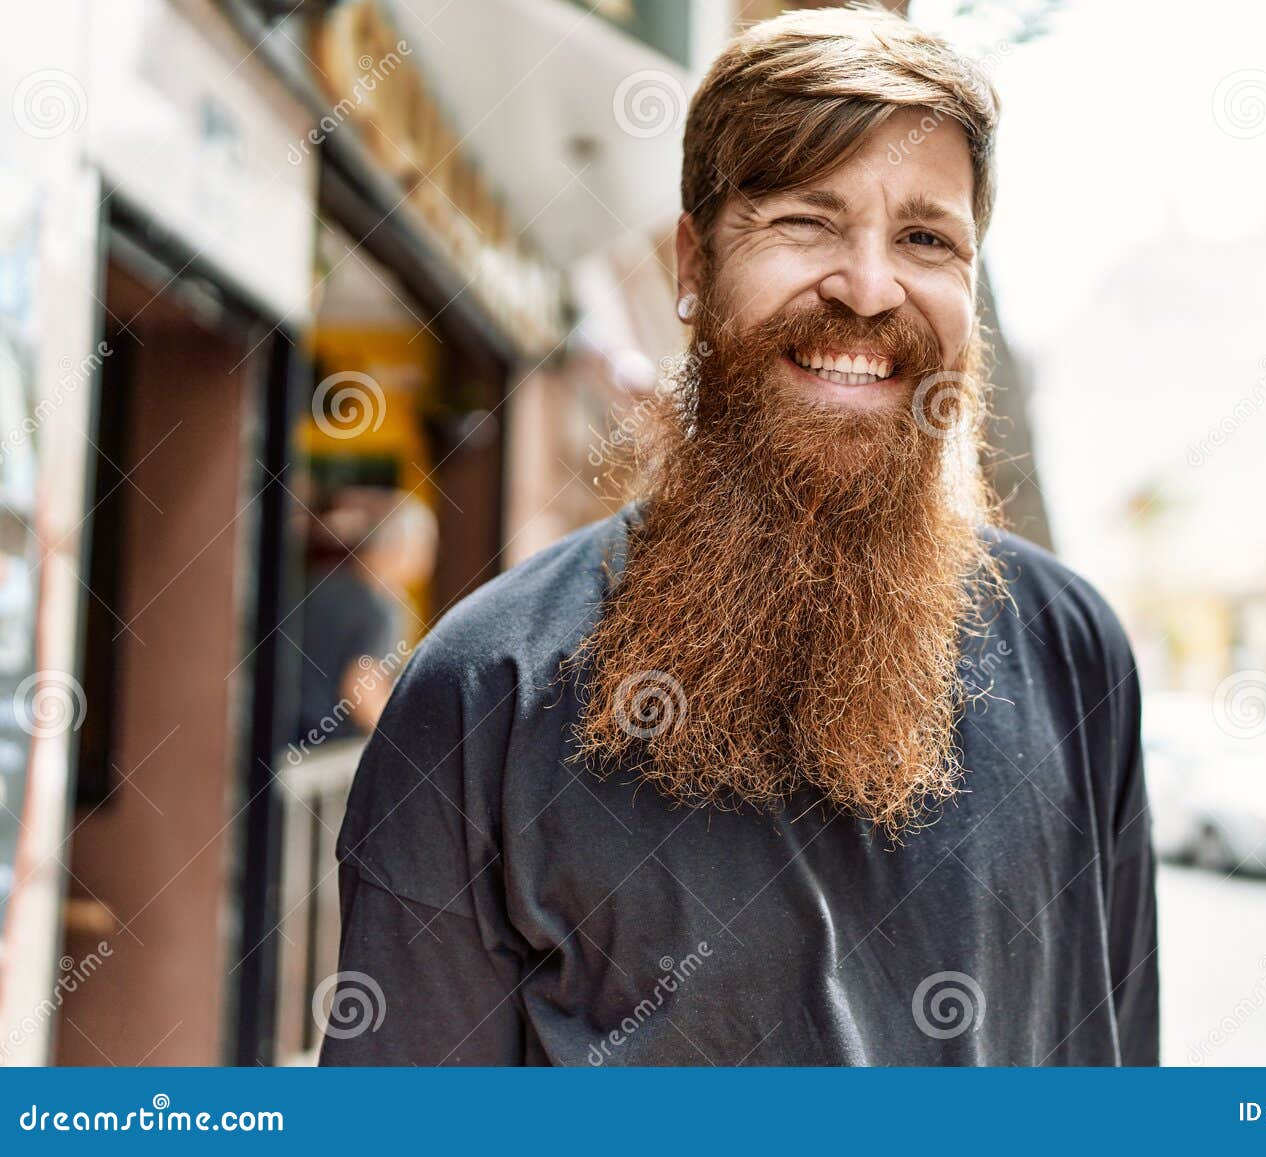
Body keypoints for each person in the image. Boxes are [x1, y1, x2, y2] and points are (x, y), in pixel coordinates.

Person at [320, 6, 1157, 1066]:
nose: (866, 284)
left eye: (926, 237)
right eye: (804, 221)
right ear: (692, 265)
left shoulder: (1073, 651)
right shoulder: (485, 692)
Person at [295, 489, 437, 745]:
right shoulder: (383, 610)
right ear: (401, 548)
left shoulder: (320, 582)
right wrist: (405, 743)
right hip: (324, 750)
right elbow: (361, 688)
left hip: (284, 736)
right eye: (426, 545)